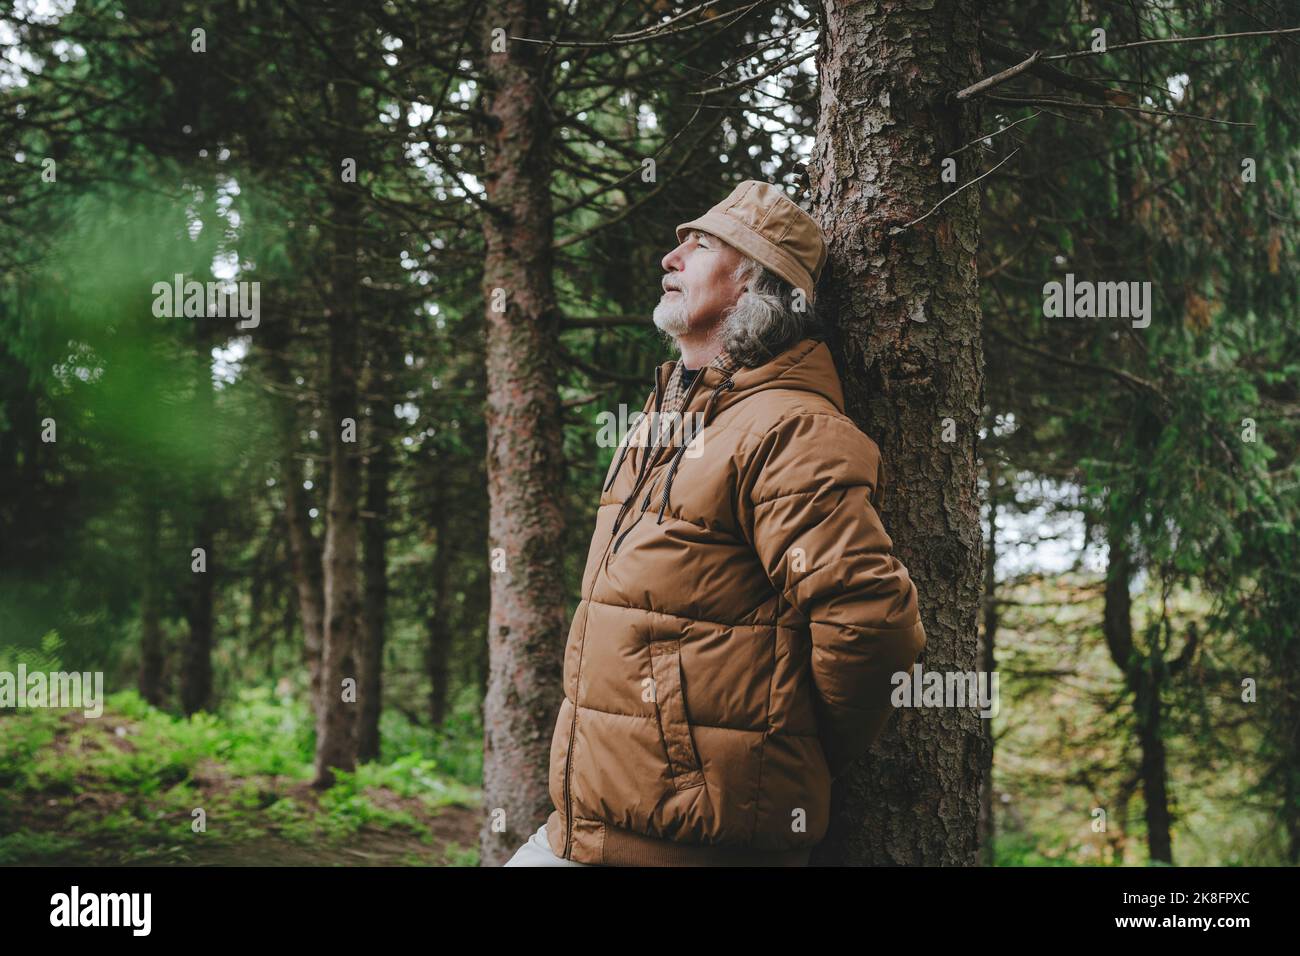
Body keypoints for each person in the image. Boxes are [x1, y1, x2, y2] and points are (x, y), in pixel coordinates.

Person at [507, 180, 927, 867]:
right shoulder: (659, 424)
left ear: (755, 285)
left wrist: (794, 743)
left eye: (699, 246)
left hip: (695, 847)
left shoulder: (790, 427)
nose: (669, 260)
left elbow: (872, 624)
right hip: (589, 830)